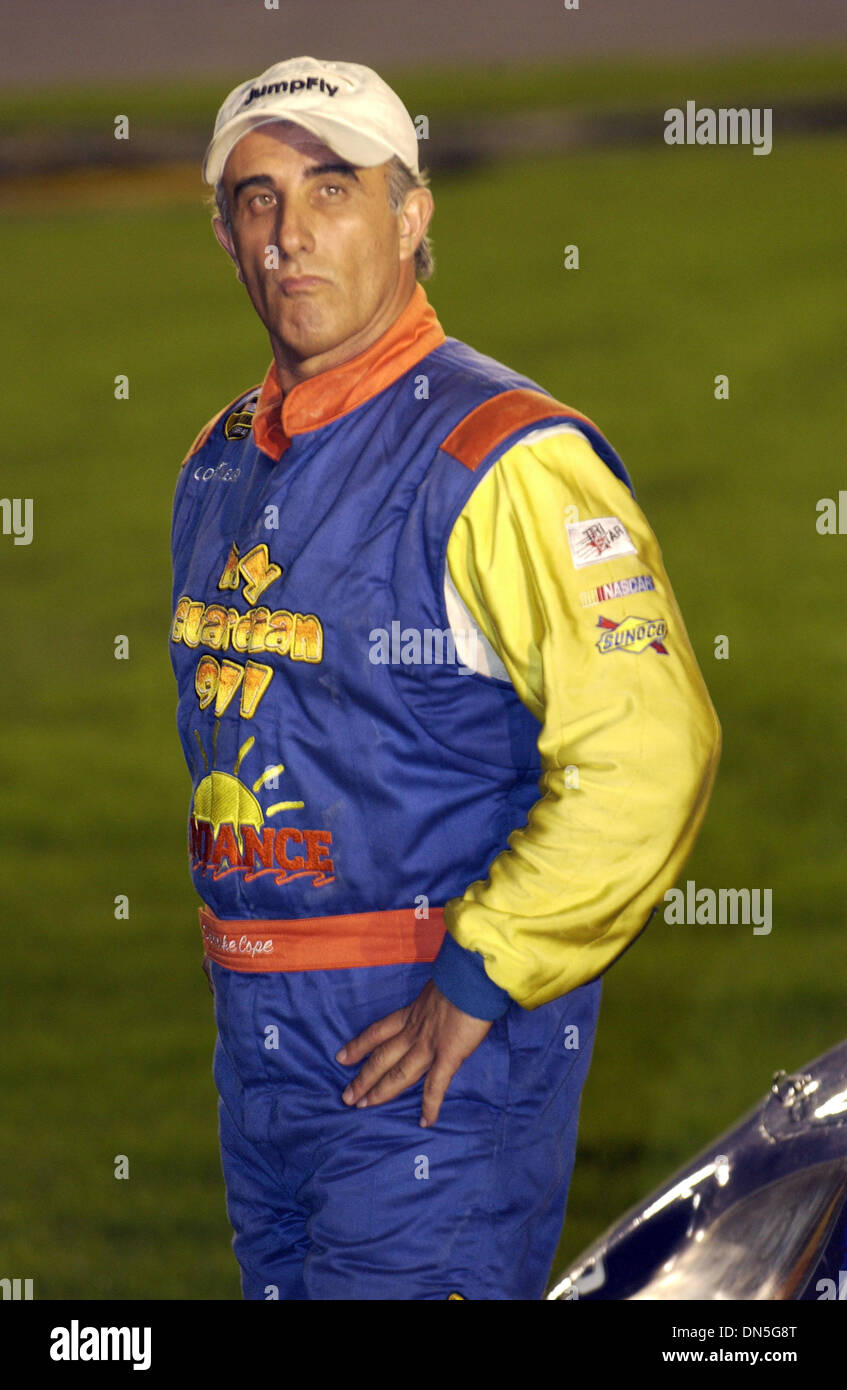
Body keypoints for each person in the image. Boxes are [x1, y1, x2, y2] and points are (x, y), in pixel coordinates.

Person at [169, 55, 721, 1301]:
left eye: (332, 187)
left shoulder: (504, 458)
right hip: (262, 1059)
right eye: (256, 198)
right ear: (223, 230)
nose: (290, 234)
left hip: (428, 1056)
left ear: (412, 216)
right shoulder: (217, 464)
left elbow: (648, 752)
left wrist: (481, 975)